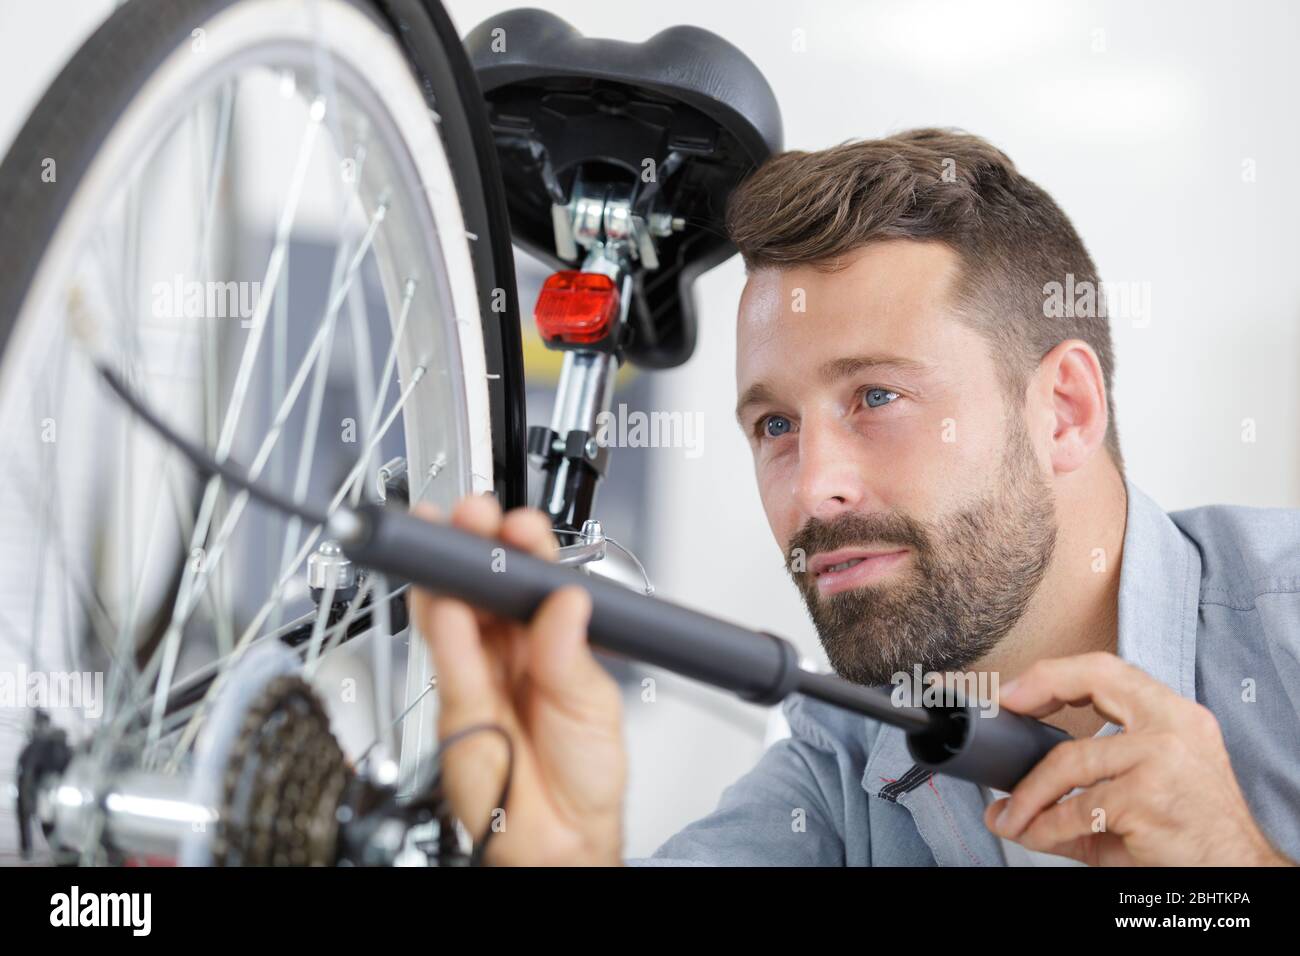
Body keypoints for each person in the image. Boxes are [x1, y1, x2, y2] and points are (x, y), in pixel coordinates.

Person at [409, 129, 1298, 866]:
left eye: (876, 398)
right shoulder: (837, 767)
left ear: (1064, 411)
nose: (813, 486)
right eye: (774, 426)